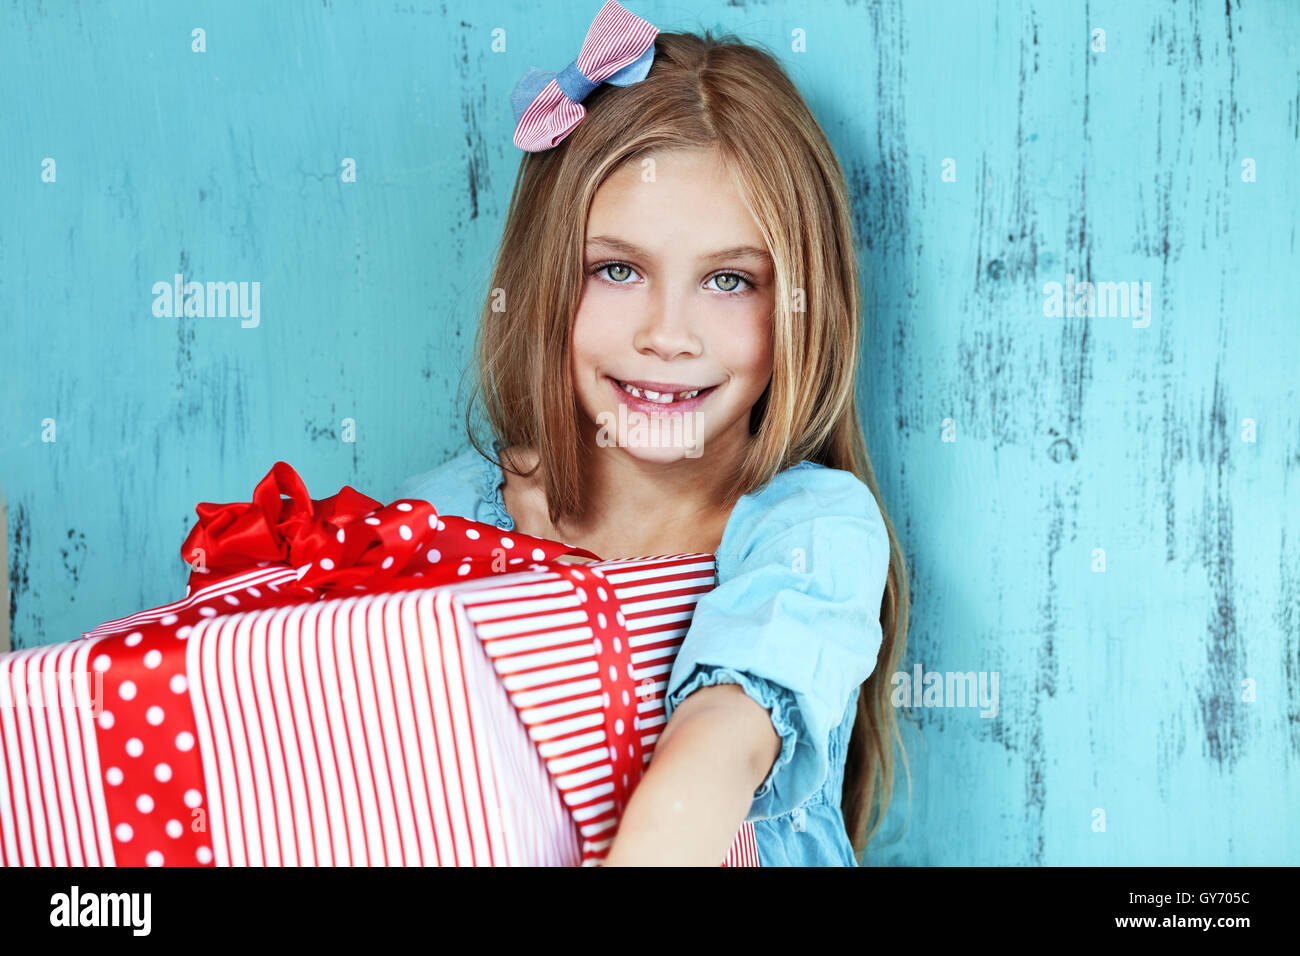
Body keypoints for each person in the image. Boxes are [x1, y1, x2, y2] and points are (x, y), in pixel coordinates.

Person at [397, 1, 910, 866]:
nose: (667, 335)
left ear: (799, 305)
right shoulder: (443, 517)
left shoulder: (813, 535)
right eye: (618, 269)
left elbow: (714, 754)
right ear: (545, 278)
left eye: (728, 281)